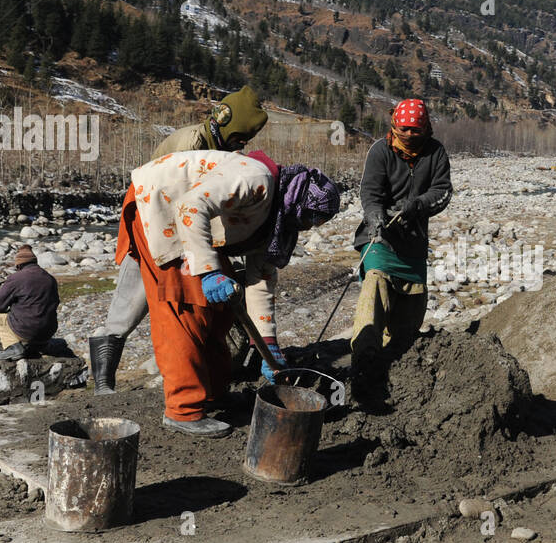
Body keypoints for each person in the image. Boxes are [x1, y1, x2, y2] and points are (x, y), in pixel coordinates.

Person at [114, 148, 339, 436]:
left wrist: (268, 344)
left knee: (222, 311)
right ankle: (184, 409)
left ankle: (213, 392)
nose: (307, 227)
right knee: (186, 307)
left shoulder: (280, 221)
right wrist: (208, 271)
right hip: (159, 206)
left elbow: (261, 282)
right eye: (308, 220)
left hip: (195, 226)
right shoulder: (255, 179)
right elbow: (190, 206)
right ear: (299, 204)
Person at [89, 86, 270, 393]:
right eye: (240, 138)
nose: (242, 145)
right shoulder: (192, 141)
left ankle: (214, 371)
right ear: (227, 125)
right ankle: (104, 382)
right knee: (134, 301)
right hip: (154, 218)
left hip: (183, 226)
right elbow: (173, 196)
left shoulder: (222, 147)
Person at [349, 99, 453, 409]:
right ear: (394, 127)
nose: (408, 134)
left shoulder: (436, 153)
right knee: (376, 287)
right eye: (403, 129)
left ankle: (394, 364)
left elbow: (443, 191)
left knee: (410, 311)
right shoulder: (380, 151)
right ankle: (363, 363)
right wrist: (375, 215)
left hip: (414, 241)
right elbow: (370, 192)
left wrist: (418, 204)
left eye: (414, 130)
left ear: (425, 129)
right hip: (380, 237)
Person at [0, 246, 60, 360]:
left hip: (27, 330)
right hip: (48, 332)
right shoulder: (50, 278)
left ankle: (13, 347)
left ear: (19, 265)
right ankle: (38, 345)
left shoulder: (17, 278)